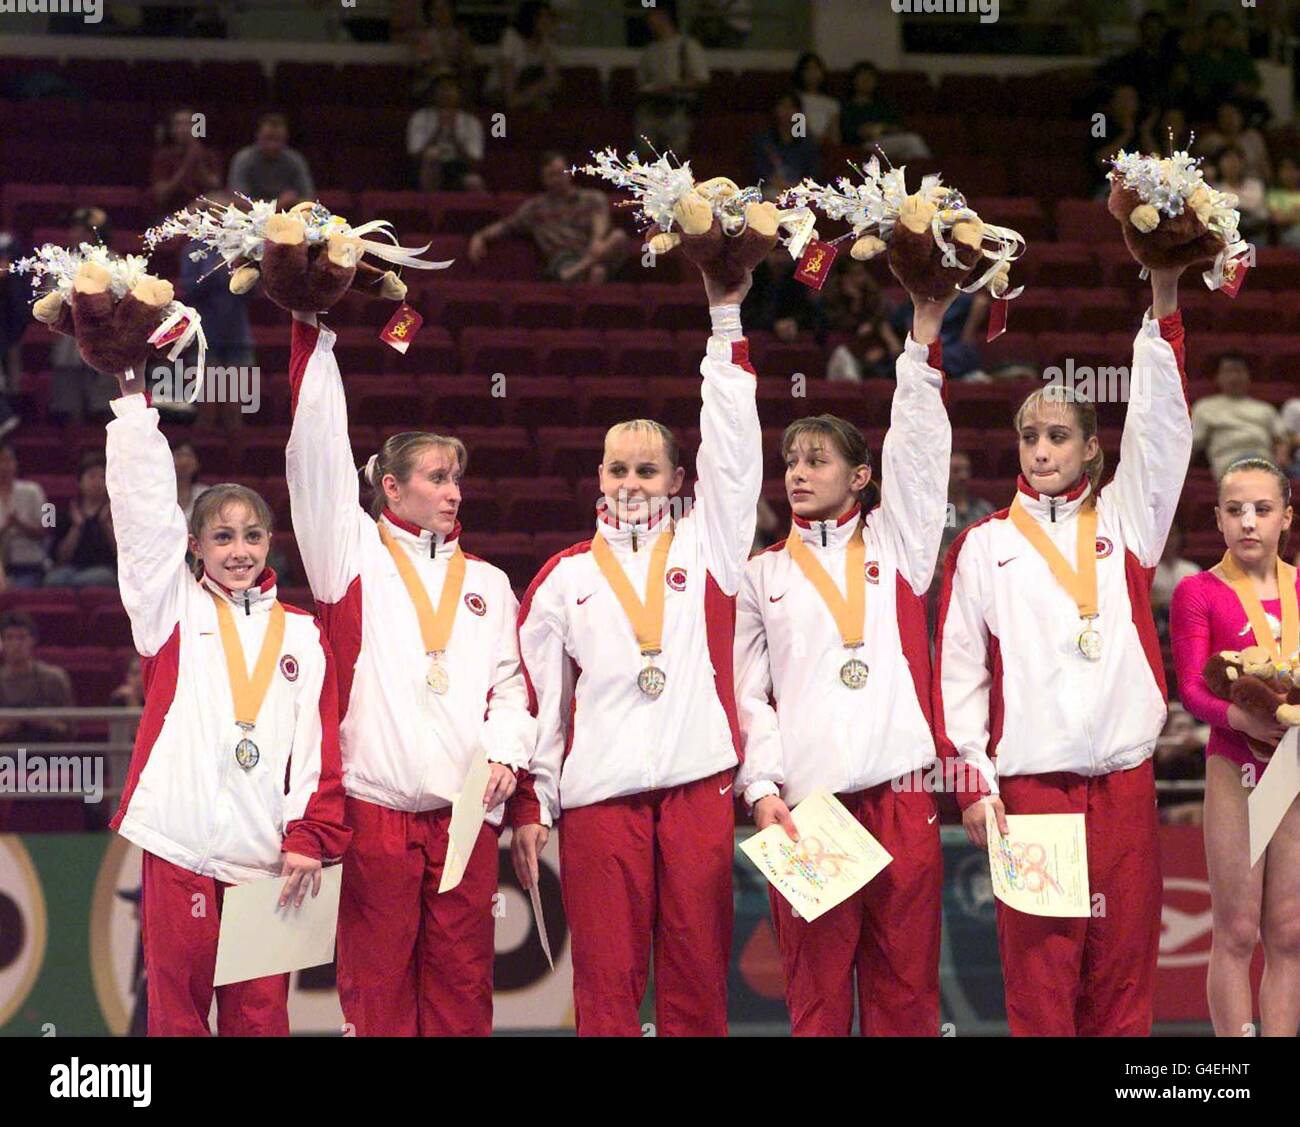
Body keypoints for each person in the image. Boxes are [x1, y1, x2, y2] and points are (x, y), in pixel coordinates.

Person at [933, 265, 1195, 1036]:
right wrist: (974, 783)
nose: (1041, 449)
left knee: (1121, 984)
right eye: (1029, 436)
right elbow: (959, 676)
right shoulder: (985, 547)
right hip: (1033, 795)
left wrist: (1164, 308)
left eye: (1057, 436)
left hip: (1122, 786)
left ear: (1089, 448)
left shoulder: (1128, 526)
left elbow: (1162, 430)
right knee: (1041, 986)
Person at [507, 249, 762, 1037]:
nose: (630, 483)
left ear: (680, 480)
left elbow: (737, 451)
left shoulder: (709, 545)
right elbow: (541, 706)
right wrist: (532, 800)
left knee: (695, 980)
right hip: (599, 800)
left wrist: (726, 322)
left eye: (648, 470)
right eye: (618, 467)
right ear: (598, 474)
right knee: (608, 986)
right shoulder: (561, 579)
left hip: (697, 785)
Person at [284, 304, 536, 1037]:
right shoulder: (351, 557)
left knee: (464, 994)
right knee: (377, 992)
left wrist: (508, 753)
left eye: (457, 477)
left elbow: (513, 690)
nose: (454, 490)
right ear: (390, 490)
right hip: (376, 813)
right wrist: (315, 333)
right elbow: (316, 463)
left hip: (464, 820)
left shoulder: (489, 583)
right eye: (435, 477)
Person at [103, 343, 350, 1037]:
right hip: (179, 845)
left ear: (271, 541)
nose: (238, 550)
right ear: (195, 546)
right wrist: (131, 406)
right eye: (221, 537)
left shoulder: (302, 635)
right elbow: (143, 519)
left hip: (268, 857)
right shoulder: (170, 610)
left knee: (261, 1020)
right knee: (176, 1017)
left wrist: (308, 837)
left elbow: (318, 750)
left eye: (251, 535)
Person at [733, 283, 955, 1036]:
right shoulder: (762, 574)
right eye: (791, 459)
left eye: (818, 460)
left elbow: (920, 459)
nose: (797, 470)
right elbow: (749, 696)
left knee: (906, 999)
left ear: (860, 476)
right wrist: (761, 784)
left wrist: (921, 344)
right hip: (811, 809)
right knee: (818, 1003)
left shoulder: (898, 549)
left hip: (901, 796)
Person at [1169, 457, 1299, 1037]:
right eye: (1235, 510)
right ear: (1218, 520)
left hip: (1293, 770)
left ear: (1286, 518)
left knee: (1290, 931)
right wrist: (1238, 716)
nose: (1249, 521)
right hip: (1238, 769)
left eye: (1262, 509)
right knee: (1238, 929)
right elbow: (1191, 688)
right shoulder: (1199, 591)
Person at [468, 151, 630, 283]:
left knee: (619, 237)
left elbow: (600, 221)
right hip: (563, 258)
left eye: (561, 173)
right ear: (544, 180)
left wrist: (596, 242)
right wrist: (480, 236)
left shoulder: (592, 197)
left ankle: (575, 271)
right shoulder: (535, 208)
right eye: (552, 175)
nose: (558, 179)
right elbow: (506, 226)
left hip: (593, 251)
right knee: (597, 272)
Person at [1191, 351, 1288, 480]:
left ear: (1248, 376)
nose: (1234, 377)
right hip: (1230, 464)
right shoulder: (1205, 407)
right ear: (1218, 377)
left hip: (1266, 462)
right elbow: (1192, 444)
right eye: (1228, 372)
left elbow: (1281, 439)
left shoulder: (1265, 408)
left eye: (1239, 372)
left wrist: (1282, 456)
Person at [634, 0, 709, 157]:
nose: (648, 20)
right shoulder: (650, 50)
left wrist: (674, 86)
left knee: (675, 157)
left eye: (652, 15)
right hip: (652, 109)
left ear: (663, 16)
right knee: (645, 153)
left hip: (678, 110)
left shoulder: (687, 45)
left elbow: (701, 80)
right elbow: (642, 83)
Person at [823, 258, 903, 382]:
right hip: (848, 354)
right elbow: (836, 331)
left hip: (878, 356)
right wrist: (855, 303)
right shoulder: (830, 302)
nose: (858, 280)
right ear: (842, 278)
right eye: (852, 275)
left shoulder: (876, 299)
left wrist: (883, 350)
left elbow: (891, 337)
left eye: (861, 274)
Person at [0, 610, 73, 744]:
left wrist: (46, 722)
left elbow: (70, 731)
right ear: (2, 643)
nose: (16, 644)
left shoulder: (54, 679)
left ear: (32, 640)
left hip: (48, 754)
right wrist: (6, 727)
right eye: (9, 638)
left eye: (21, 637)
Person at [406, 74, 487, 192]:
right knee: (432, 155)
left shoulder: (471, 122)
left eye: (450, 88)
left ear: (459, 93)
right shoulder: (419, 117)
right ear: (433, 93)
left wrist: (454, 136)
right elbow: (415, 157)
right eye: (441, 88)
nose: (446, 92)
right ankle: (431, 206)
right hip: (425, 168)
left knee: (474, 182)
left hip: (458, 168)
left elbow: (475, 162)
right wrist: (437, 131)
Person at [47, 452, 117, 588]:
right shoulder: (67, 513)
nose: (97, 482)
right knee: (53, 580)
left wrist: (106, 525)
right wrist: (76, 527)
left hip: (105, 569)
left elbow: (123, 557)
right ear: (80, 481)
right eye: (91, 476)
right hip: (71, 568)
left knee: (83, 581)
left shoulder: (117, 513)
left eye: (102, 477)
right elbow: (60, 558)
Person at [839, 61, 930, 164]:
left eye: (870, 77)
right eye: (862, 76)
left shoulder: (884, 106)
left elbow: (898, 127)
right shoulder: (847, 107)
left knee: (909, 154)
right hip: (863, 146)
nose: (866, 80)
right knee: (913, 141)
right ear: (853, 80)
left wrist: (881, 128)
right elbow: (847, 132)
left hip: (888, 140)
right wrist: (864, 131)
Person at [227, 113, 315, 211]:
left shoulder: (295, 160)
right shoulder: (243, 159)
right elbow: (237, 198)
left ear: (285, 138)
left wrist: (292, 202)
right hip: (250, 214)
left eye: (277, 140)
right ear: (258, 135)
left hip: (287, 215)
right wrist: (276, 205)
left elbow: (307, 198)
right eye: (269, 138)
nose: (272, 145)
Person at [149, 105, 222, 218]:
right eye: (179, 124)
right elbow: (161, 195)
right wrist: (186, 166)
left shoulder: (208, 154)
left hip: (203, 213)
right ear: (172, 129)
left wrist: (199, 162)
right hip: (171, 213)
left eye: (188, 124)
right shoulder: (163, 156)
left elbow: (216, 188)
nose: (184, 128)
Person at [487, 1, 560, 112]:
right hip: (500, 90)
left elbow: (553, 79)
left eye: (549, 16)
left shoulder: (546, 41)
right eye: (542, 17)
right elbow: (506, 74)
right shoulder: (511, 36)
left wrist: (545, 40)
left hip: (528, 90)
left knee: (544, 101)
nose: (546, 21)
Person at [753, 91, 823, 203]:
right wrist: (776, 182)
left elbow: (813, 172)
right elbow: (759, 169)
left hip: (800, 190)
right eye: (783, 106)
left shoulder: (807, 143)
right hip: (771, 189)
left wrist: (797, 186)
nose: (786, 111)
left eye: (791, 107)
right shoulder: (764, 140)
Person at [0, 441, 50, 588]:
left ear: (16, 463)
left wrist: (20, 524)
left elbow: (48, 529)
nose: (4, 466)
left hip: (30, 563)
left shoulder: (35, 490)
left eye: (8, 460)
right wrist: (5, 528)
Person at [1208, 145, 1268, 242]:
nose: (1232, 164)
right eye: (1227, 160)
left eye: (1235, 160)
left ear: (1243, 163)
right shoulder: (1215, 189)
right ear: (1219, 164)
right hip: (1227, 232)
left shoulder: (1256, 185)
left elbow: (1257, 209)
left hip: (1255, 229)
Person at [791, 52, 840, 143]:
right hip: (800, 145)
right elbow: (797, 132)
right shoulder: (794, 98)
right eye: (808, 69)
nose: (812, 73)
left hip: (825, 147)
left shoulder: (831, 103)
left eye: (816, 69)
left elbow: (835, 135)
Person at [1266, 155, 1300, 251]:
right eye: (1286, 169)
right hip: (1287, 234)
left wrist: (1292, 215)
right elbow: (1279, 219)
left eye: (1294, 169)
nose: (1290, 173)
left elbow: (1286, 216)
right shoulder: (1275, 195)